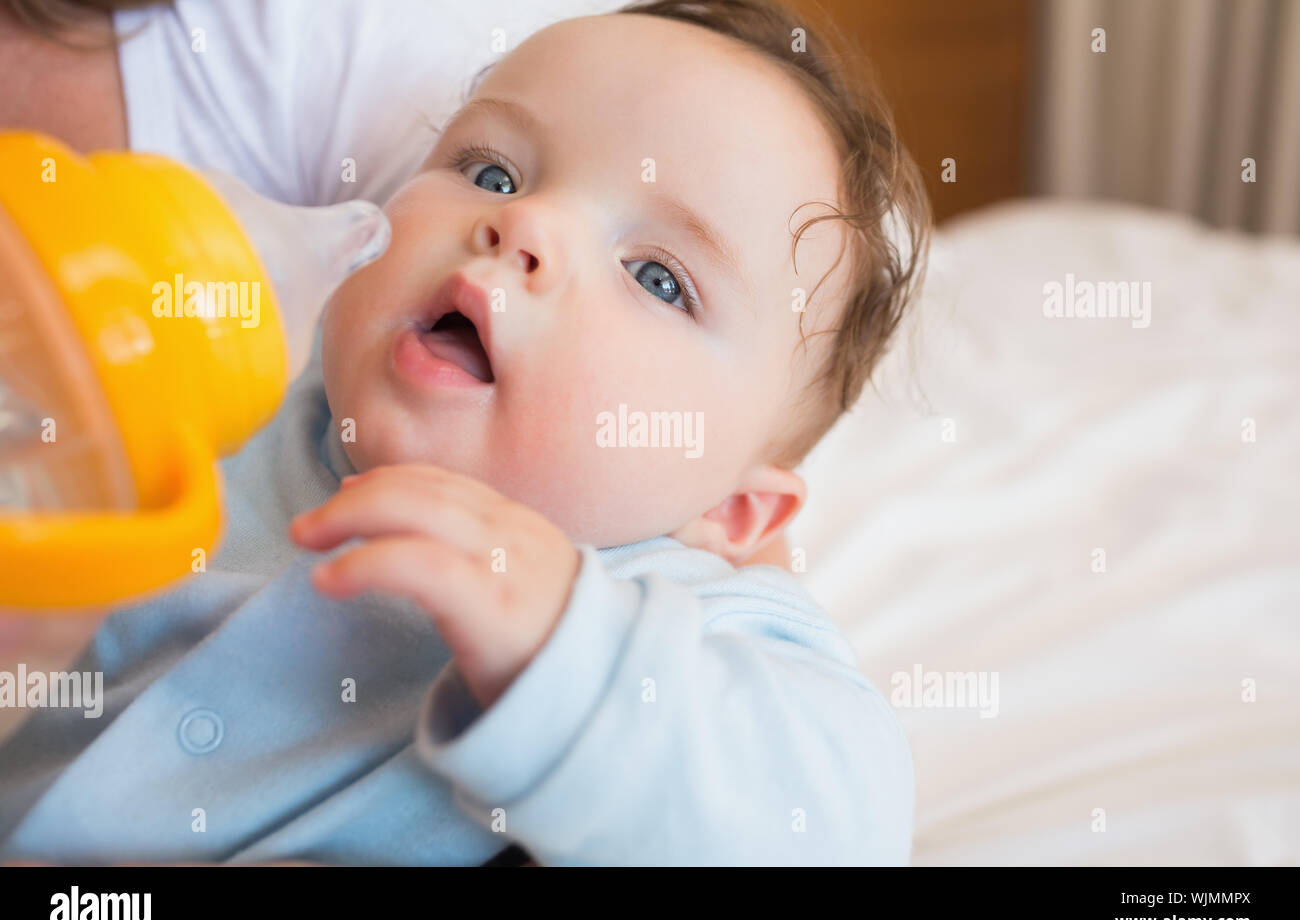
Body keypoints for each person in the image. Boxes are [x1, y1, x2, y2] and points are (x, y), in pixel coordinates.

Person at [0, 0, 929, 864]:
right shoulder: (251, 397)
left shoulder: (673, 610)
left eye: (656, 277)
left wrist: (570, 656)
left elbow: (837, 819)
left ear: (735, 511)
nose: (522, 223)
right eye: (491, 172)